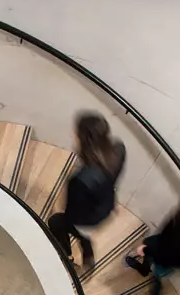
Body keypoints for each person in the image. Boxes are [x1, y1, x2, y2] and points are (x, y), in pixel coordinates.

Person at [48, 112, 126, 270]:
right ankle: (88, 256)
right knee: (83, 234)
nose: (73, 135)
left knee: (56, 221)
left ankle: (66, 255)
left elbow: (73, 213)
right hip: (106, 206)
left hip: (87, 219)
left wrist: (64, 211)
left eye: (76, 133)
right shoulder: (118, 149)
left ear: (85, 140)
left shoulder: (80, 180)